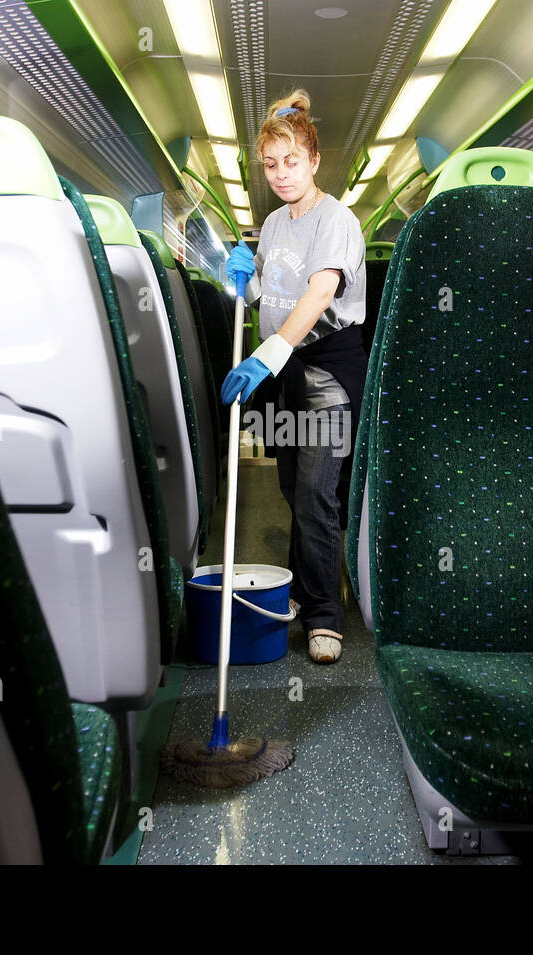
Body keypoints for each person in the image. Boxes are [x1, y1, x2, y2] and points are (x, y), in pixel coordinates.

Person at [220, 89, 367, 664]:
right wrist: (244, 282)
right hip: (285, 369)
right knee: (290, 489)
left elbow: (320, 292)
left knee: (314, 493)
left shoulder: (337, 220)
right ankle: (309, 595)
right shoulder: (275, 221)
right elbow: (273, 296)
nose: (281, 174)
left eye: (292, 162)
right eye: (271, 165)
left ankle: (325, 617)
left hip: (328, 365)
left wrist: (268, 353)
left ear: (313, 160)